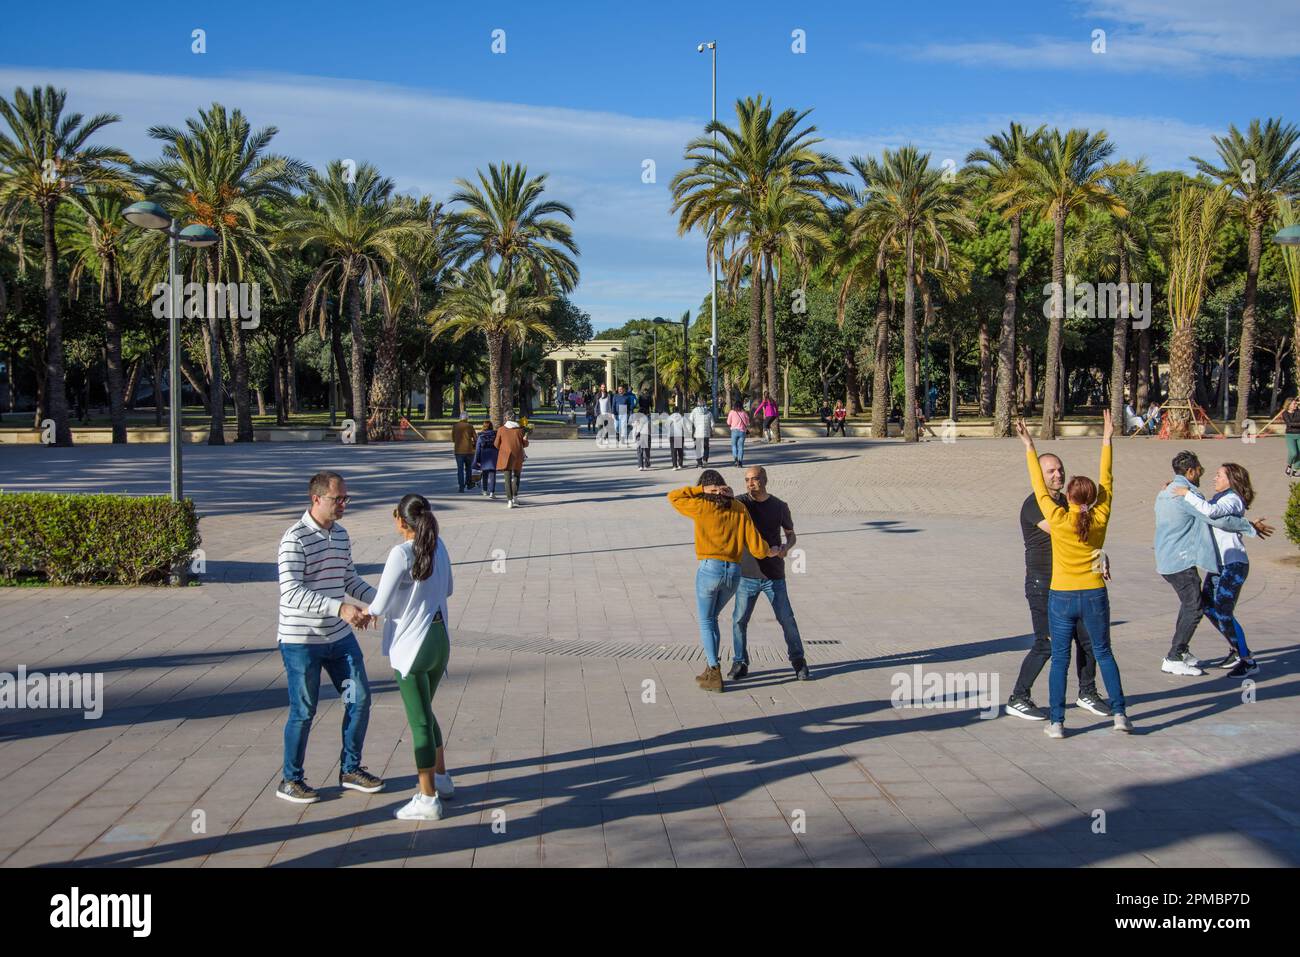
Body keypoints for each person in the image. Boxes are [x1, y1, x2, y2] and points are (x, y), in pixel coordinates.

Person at [1015, 411, 1132, 738]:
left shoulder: (1059, 517)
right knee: (1104, 652)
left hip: (1061, 595)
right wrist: (1107, 439)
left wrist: (1029, 446)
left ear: (1068, 496)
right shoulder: (1101, 517)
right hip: (1094, 593)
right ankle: (1120, 714)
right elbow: (1107, 479)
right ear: (1094, 499)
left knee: (1060, 660)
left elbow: (1037, 486)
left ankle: (1057, 722)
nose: (1056, 476)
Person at [275, 470, 383, 803]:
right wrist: (340, 609)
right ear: (316, 499)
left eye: (345, 499)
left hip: (338, 640)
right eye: (338, 499)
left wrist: (380, 602)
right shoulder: (294, 539)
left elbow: (349, 578)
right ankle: (290, 780)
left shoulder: (341, 535)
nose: (343, 505)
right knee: (304, 710)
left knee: (359, 699)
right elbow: (291, 591)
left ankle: (350, 769)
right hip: (301, 641)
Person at [367, 494, 455, 821]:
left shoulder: (400, 552)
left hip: (412, 647)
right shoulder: (439, 545)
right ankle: (442, 778)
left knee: (418, 721)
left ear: (402, 521)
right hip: (439, 639)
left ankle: (427, 797)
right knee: (427, 711)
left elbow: (379, 604)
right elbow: (447, 589)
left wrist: (365, 614)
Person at [1005, 450, 1109, 721]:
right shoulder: (1034, 505)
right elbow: (1072, 532)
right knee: (1046, 644)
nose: (1058, 474)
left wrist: (1099, 554)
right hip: (1042, 586)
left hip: (1069, 585)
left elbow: (1083, 537)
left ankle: (1087, 692)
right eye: (1051, 471)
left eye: (1060, 469)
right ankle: (1018, 697)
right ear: (1039, 475)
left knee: (1087, 639)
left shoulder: (1066, 501)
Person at [1153, 451, 1270, 676]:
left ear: (1232, 480)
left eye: (1219, 475)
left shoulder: (1231, 498)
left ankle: (1245, 658)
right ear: (1190, 472)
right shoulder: (1205, 496)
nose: (1211, 477)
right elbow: (1206, 511)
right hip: (1218, 564)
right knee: (1204, 606)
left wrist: (1183, 491)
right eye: (1205, 471)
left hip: (1233, 562)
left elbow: (1213, 514)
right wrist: (1180, 489)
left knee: (1221, 611)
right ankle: (1230, 650)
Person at [668, 471, 774, 693]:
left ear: (704, 487)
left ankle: (714, 671)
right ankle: (709, 669)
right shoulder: (738, 507)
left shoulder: (701, 506)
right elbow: (756, 546)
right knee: (713, 618)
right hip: (733, 573)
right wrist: (771, 550)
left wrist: (701, 491)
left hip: (710, 569)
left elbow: (674, 496)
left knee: (706, 621)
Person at [731, 466, 810, 681]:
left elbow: (791, 535)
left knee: (786, 619)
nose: (750, 484)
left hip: (774, 575)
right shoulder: (741, 504)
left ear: (764, 480)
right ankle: (740, 662)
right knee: (739, 620)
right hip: (747, 573)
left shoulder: (779, 506)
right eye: (747, 480)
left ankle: (798, 661)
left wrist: (786, 547)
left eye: (754, 479)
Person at [494, 413, 529, 508]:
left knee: (507, 479)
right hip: (518, 455)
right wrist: (526, 438)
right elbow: (525, 444)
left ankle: (509, 500)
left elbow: (496, 444)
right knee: (517, 476)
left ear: (506, 418)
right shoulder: (520, 430)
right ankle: (515, 496)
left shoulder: (501, 430)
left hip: (506, 456)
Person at [451, 412, 477, 493]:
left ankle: (461, 487)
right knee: (468, 469)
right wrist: (473, 445)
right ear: (467, 418)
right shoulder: (470, 426)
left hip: (458, 451)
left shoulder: (455, 426)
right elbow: (475, 438)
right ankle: (469, 484)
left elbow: (453, 439)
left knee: (460, 470)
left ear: (460, 418)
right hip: (469, 451)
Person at [473, 418, 498, 499]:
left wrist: (476, 460)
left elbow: (478, 450)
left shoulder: (481, 437)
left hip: (484, 458)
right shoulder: (496, 435)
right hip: (494, 457)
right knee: (493, 475)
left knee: (485, 474)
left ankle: (484, 490)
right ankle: (492, 492)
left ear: (483, 427)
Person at [689, 396, 714, 468]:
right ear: (704, 403)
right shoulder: (709, 412)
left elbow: (690, 421)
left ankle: (699, 463)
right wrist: (712, 431)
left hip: (697, 433)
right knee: (706, 447)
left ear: (698, 403)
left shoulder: (694, 411)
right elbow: (712, 423)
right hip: (706, 433)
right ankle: (705, 460)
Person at [727, 401, 750, 467]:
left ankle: (735, 459)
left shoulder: (731, 412)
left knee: (734, 446)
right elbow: (747, 422)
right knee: (741, 447)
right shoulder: (744, 413)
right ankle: (740, 461)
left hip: (734, 431)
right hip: (742, 431)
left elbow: (728, 422)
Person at [1283, 397, 1300, 476]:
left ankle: (1296, 469)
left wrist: (1294, 424)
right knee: (1294, 453)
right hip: (1290, 435)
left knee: (1299, 453)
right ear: (1289, 404)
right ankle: (1289, 465)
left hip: (1299, 434)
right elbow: (1289, 424)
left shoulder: (1298, 412)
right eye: (1294, 403)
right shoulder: (1285, 413)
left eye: (1296, 403)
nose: (1296, 405)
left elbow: (1293, 424)